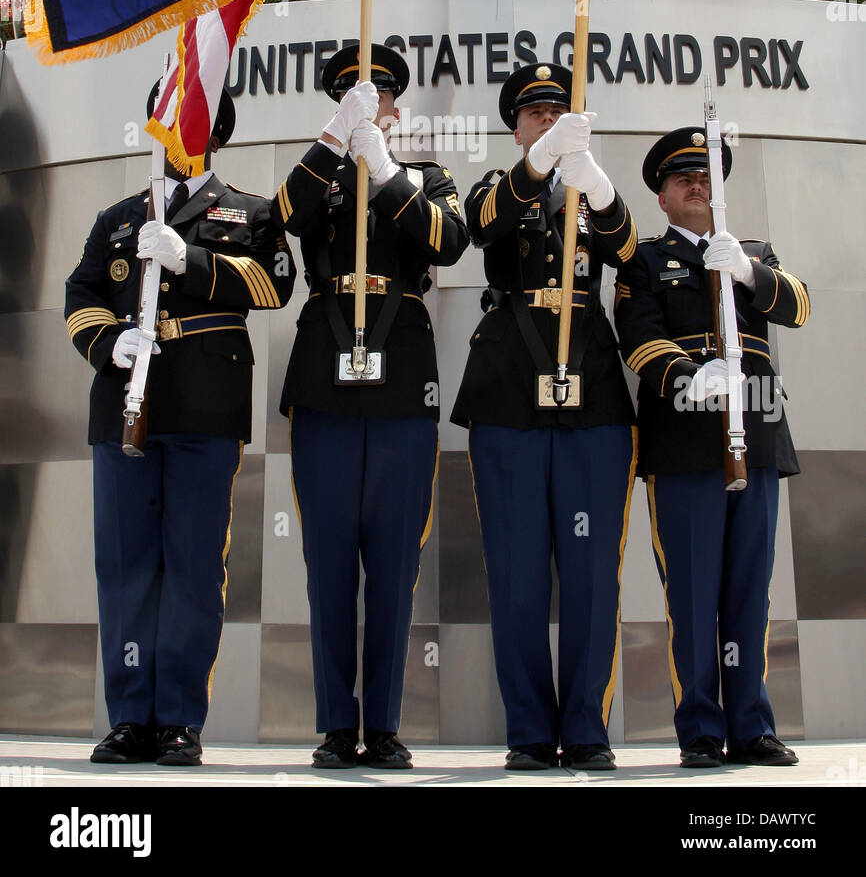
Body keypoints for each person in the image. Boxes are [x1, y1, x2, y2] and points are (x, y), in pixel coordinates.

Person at [66, 86, 294, 766]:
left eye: (188, 127)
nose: (175, 139)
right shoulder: (117, 217)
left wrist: (186, 260)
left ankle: (177, 720)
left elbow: (275, 284)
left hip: (203, 406)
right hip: (126, 406)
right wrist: (109, 344)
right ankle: (130, 716)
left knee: (194, 566)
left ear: (213, 133)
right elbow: (80, 294)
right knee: (126, 565)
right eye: (168, 127)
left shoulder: (249, 211)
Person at [272, 43, 468, 770]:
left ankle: (382, 724)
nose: (371, 108)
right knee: (327, 561)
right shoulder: (316, 175)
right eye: (356, 98)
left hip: (402, 381)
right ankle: (333, 725)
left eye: (381, 98)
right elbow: (283, 218)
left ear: (396, 108)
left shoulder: (425, 176)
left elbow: (448, 242)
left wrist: (384, 171)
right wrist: (332, 142)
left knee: (394, 561)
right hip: (325, 376)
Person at [451, 63, 638, 771]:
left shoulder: (593, 191)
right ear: (517, 126)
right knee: (517, 571)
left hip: (591, 394)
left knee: (592, 572)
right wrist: (536, 163)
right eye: (534, 114)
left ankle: (586, 728)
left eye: (559, 111)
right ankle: (531, 729)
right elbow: (481, 225)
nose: (548, 120)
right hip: (507, 392)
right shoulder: (498, 187)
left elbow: (628, 255)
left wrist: (602, 187)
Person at [614, 127, 810, 768]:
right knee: (693, 591)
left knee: (751, 591)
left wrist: (749, 271)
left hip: (754, 436)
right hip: (686, 443)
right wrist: (688, 375)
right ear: (664, 200)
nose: (696, 187)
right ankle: (700, 726)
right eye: (682, 181)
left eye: (706, 179)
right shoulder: (642, 262)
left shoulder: (751, 251)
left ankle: (751, 725)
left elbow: (798, 308)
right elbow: (638, 339)